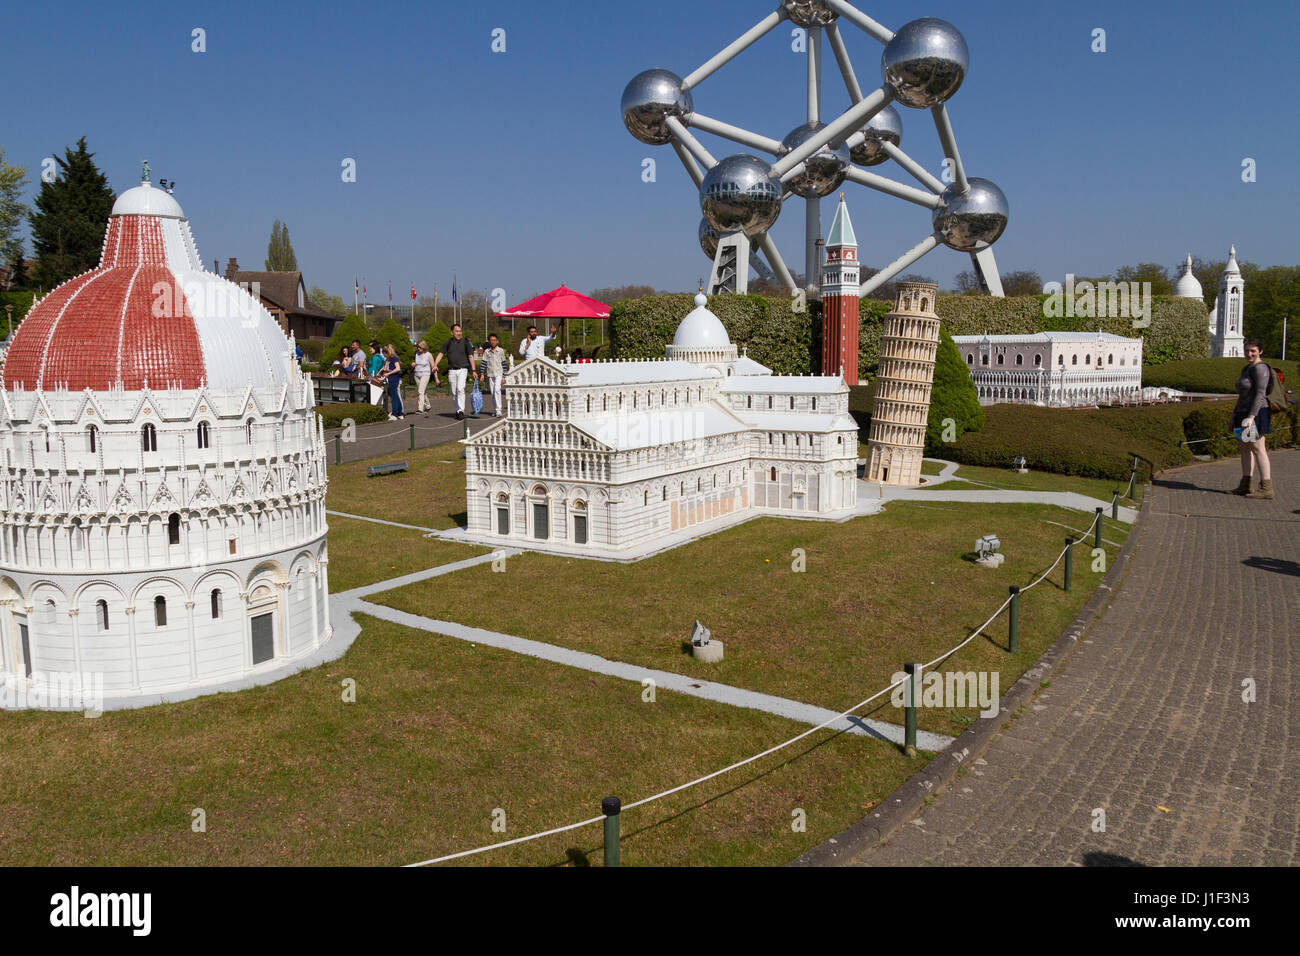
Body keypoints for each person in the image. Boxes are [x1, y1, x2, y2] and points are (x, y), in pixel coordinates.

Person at [1229, 338, 1273, 499]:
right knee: (1244, 448)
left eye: (1253, 351)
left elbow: (1260, 394)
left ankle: (1267, 488)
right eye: (1247, 350)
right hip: (1242, 412)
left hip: (1256, 413)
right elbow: (1242, 395)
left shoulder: (1261, 368)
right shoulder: (1246, 368)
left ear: (1260, 351)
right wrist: (1234, 415)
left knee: (1257, 448)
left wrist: (1251, 417)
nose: (1249, 354)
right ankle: (1246, 485)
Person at [432, 323, 477, 420]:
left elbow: (470, 356)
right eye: (457, 331)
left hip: (462, 369)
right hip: (452, 370)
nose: (459, 333)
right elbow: (441, 354)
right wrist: (435, 364)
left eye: (460, 331)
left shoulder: (465, 342)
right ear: (452, 332)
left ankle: (461, 411)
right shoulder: (448, 343)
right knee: (454, 392)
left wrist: (473, 370)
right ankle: (457, 411)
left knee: (460, 389)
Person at [480, 332, 507, 416]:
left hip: (499, 373)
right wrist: (481, 374)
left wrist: (504, 376)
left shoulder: (501, 351)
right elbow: (483, 362)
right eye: (491, 340)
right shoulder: (487, 352)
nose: (493, 342)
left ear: (497, 341)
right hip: (490, 374)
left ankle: (499, 410)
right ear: (489, 341)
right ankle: (495, 410)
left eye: (494, 340)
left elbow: (504, 363)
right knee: (492, 393)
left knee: (497, 390)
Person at [379, 344, 404, 420]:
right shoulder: (387, 360)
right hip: (389, 379)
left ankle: (394, 414)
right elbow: (383, 368)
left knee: (394, 397)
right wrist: (378, 374)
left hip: (394, 379)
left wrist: (388, 373)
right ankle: (400, 413)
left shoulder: (394, 359)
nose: (384, 356)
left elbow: (398, 368)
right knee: (395, 396)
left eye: (385, 354)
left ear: (388, 352)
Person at [413, 340, 433, 415]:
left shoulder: (428, 355)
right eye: (418, 347)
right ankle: (428, 406)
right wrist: (414, 365)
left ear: (424, 347)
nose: (419, 349)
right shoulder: (416, 354)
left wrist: (436, 377)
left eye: (420, 347)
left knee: (420, 391)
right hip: (417, 374)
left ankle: (420, 409)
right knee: (423, 392)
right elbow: (417, 363)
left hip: (425, 374)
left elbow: (433, 366)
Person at [366, 341, 386, 408]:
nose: (370, 350)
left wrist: (367, 376)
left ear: (374, 348)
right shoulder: (381, 357)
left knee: (373, 396)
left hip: (373, 378)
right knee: (379, 395)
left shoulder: (374, 357)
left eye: (371, 348)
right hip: (379, 377)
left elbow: (373, 369)